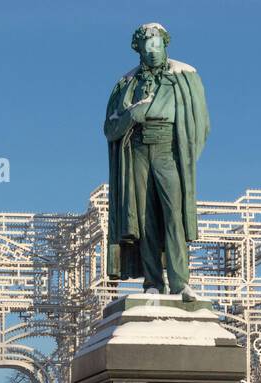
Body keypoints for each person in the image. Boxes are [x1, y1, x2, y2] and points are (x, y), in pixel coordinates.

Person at [103, 22, 210, 301]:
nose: (152, 51)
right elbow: (109, 129)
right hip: (137, 151)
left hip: (168, 150)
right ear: (138, 49)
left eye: (157, 45)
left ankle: (180, 282)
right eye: (147, 46)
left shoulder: (184, 76)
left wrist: (184, 154)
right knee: (144, 218)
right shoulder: (126, 83)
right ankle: (152, 282)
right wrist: (131, 115)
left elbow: (201, 124)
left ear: (165, 45)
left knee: (173, 216)